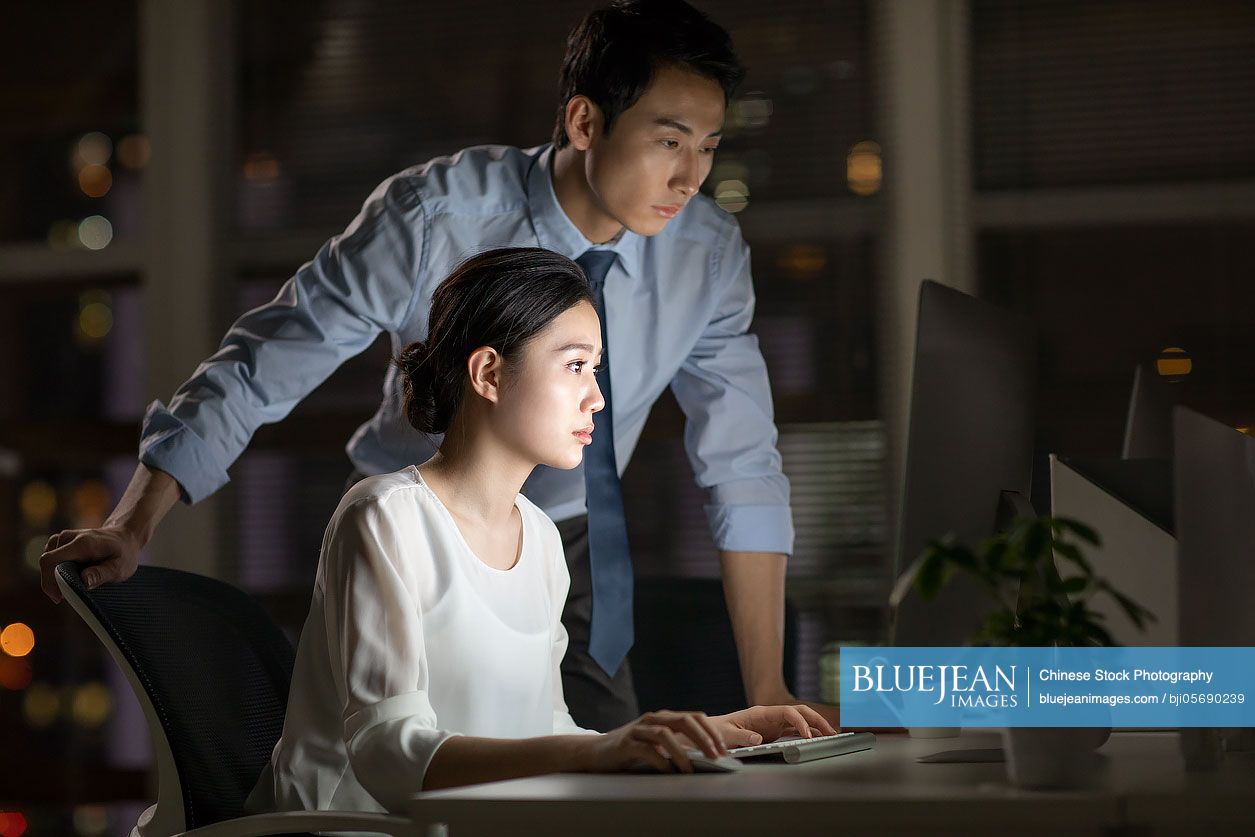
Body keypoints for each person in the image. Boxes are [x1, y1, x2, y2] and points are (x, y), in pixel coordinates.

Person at [41, 0, 837, 730]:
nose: (691, 178)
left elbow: (741, 464)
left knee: (610, 773)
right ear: (585, 121)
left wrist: (764, 687)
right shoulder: (434, 218)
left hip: (569, 540)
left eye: (707, 147)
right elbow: (263, 362)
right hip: (424, 526)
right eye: (668, 142)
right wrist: (132, 520)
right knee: (433, 760)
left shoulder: (706, 254)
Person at [246, 248, 834, 812]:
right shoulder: (383, 516)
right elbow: (386, 753)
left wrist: (703, 734)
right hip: (345, 828)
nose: (598, 398)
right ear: (489, 374)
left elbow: (547, 729)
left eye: (596, 369)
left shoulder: (542, 537)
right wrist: (599, 751)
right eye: (576, 365)